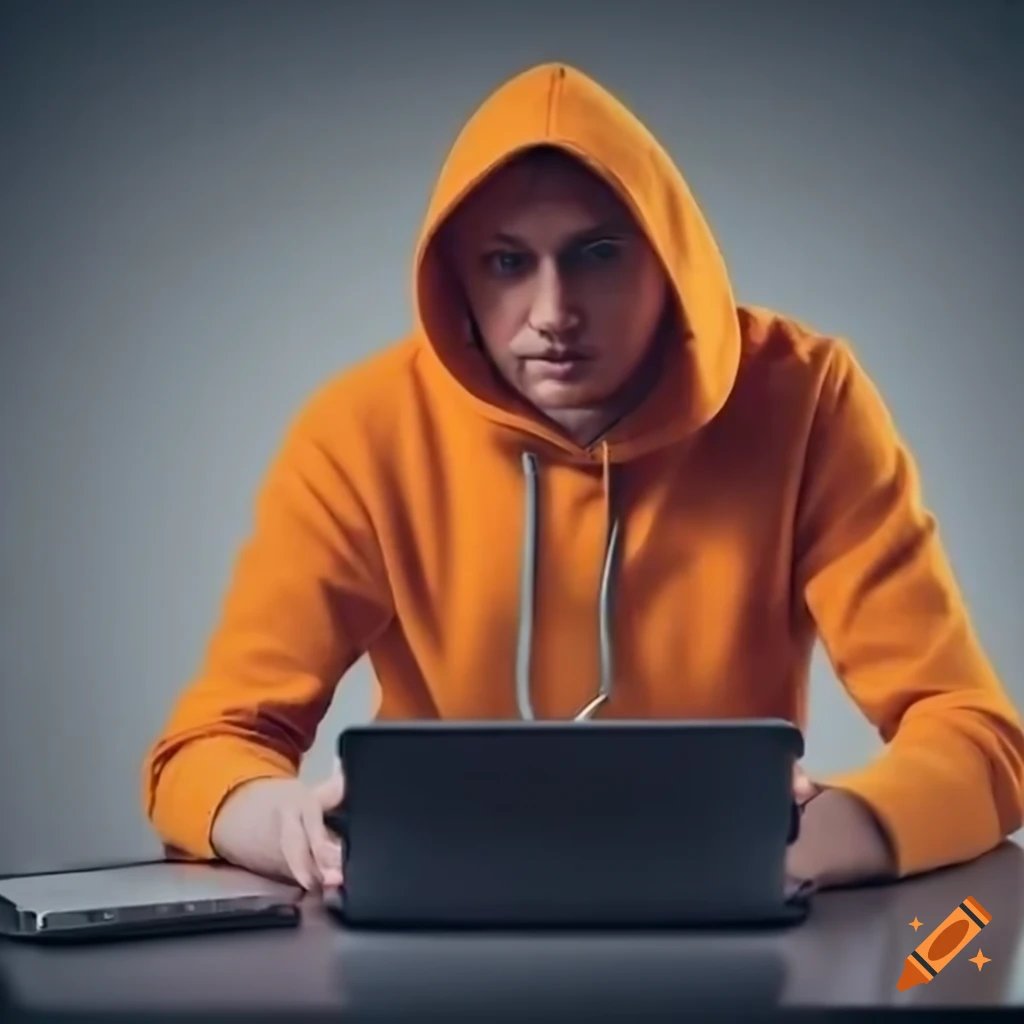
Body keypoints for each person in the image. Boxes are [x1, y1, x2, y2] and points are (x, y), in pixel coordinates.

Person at [142, 62, 1024, 895]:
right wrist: (281, 822)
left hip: (734, 926)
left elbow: (979, 737)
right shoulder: (360, 432)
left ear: (671, 260)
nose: (553, 314)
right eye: (507, 262)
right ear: (455, 279)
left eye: (598, 253)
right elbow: (207, 750)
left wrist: (836, 839)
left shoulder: (805, 399)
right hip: (433, 927)